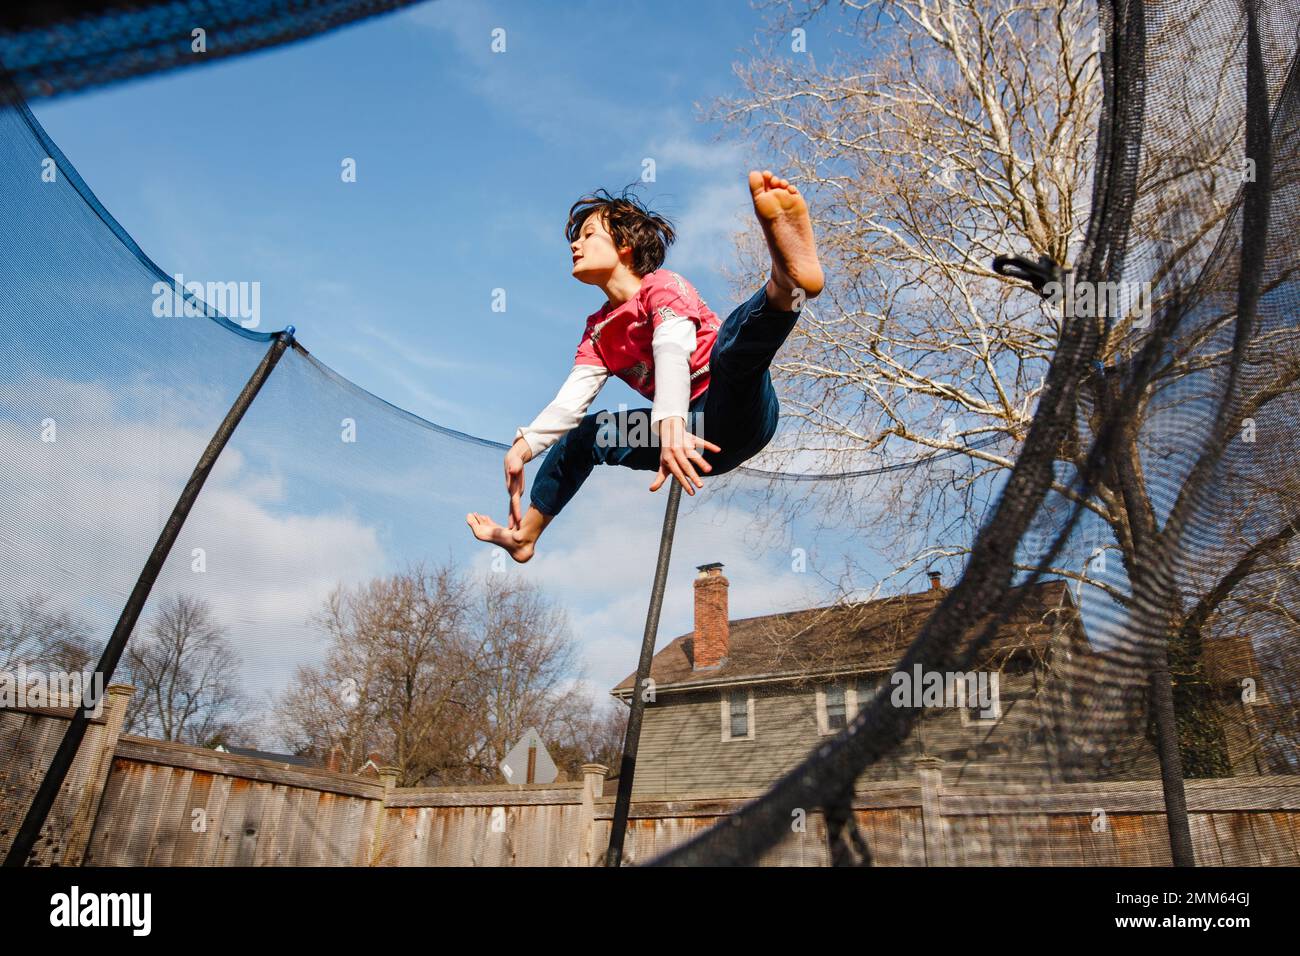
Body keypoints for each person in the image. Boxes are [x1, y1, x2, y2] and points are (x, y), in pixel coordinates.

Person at [467, 170, 823, 563]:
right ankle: (525, 537)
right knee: (587, 435)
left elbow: (671, 346)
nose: (575, 244)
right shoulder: (597, 332)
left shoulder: (662, 286)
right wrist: (522, 449)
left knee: (729, 354)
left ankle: (786, 286)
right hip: (690, 436)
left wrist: (670, 426)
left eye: (587, 234)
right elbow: (569, 404)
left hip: (732, 409)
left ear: (624, 245)